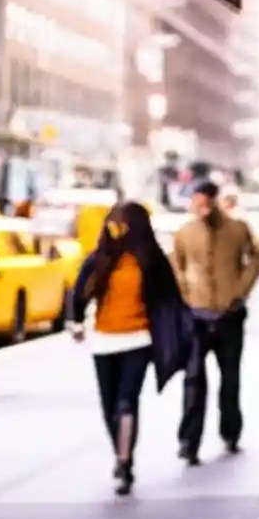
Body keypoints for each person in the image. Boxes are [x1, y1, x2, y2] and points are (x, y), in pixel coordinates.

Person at [68, 201, 181, 495]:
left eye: (122, 223)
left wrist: (174, 335)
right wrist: (75, 322)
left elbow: (169, 299)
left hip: (138, 339)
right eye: (112, 223)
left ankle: (124, 462)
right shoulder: (99, 258)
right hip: (104, 341)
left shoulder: (150, 259)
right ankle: (120, 453)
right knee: (109, 407)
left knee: (126, 402)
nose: (115, 229)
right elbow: (79, 293)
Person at [172, 180, 259, 466]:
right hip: (197, 316)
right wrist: (185, 293)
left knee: (230, 378)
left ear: (214, 201)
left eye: (205, 203)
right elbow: (176, 265)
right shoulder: (185, 233)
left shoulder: (237, 229)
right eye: (196, 203)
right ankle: (189, 442)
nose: (200, 209)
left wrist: (241, 288)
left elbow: (257, 254)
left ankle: (230, 432)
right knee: (193, 380)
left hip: (229, 315)